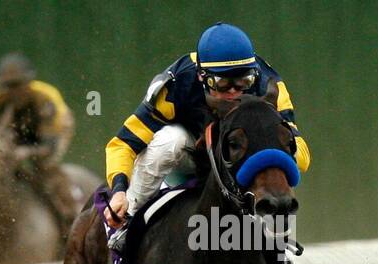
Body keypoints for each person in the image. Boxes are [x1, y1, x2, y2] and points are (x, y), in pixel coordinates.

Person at [102, 22, 311, 252]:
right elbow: (122, 144)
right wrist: (119, 190)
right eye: (223, 84)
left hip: (239, 155)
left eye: (244, 82)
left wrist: (272, 155)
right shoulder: (176, 85)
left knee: (274, 161)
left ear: (254, 75)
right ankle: (128, 220)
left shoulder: (268, 85)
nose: (234, 92)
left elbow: (300, 152)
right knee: (171, 140)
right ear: (202, 78)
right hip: (190, 151)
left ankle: (278, 245)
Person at [0, 53, 79, 241]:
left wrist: (27, 152)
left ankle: (70, 218)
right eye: (7, 86)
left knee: (46, 169)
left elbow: (49, 145)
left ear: (29, 81)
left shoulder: (45, 98)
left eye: (18, 85)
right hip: (16, 139)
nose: (13, 91)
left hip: (52, 134)